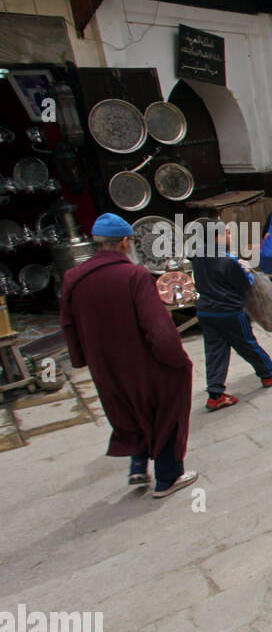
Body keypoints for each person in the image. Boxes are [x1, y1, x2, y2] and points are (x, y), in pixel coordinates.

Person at [58, 213, 198, 499]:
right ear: (123, 243)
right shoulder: (133, 275)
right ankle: (167, 478)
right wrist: (176, 359)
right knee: (166, 408)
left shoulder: (73, 278)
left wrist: (81, 360)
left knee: (128, 410)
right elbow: (157, 326)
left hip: (104, 366)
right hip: (144, 362)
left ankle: (137, 464)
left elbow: (68, 324)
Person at [190, 219, 272, 411]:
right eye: (226, 233)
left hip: (206, 311)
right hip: (228, 310)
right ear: (216, 238)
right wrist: (246, 270)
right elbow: (243, 284)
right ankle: (268, 373)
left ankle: (215, 394)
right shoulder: (226, 261)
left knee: (215, 350)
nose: (230, 236)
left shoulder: (197, 255)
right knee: (247, 343)